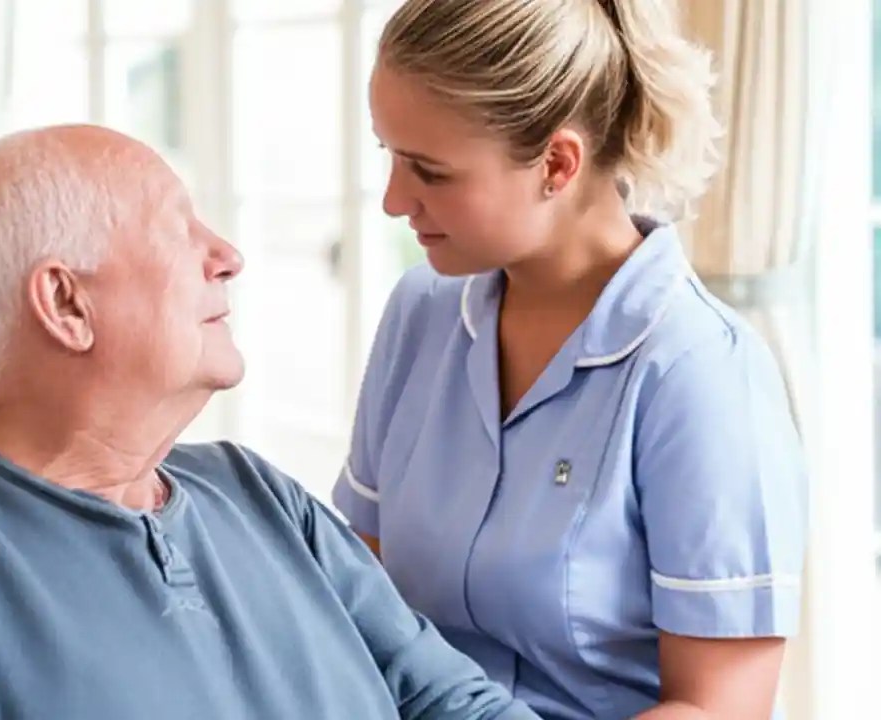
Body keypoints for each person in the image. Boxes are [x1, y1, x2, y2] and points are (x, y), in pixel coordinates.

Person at [0, 125, 539, 720]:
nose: (228, 256)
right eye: (178, 229)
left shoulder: (257, 492)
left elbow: (451, 701)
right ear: (65, 304)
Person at [332, 1, 807, 718]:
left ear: (556, 163)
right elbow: (353, 596)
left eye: (430, 171)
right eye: (389, 157)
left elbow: (718, 709)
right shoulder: (420, 313)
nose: (396, 201)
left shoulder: (700, 374)